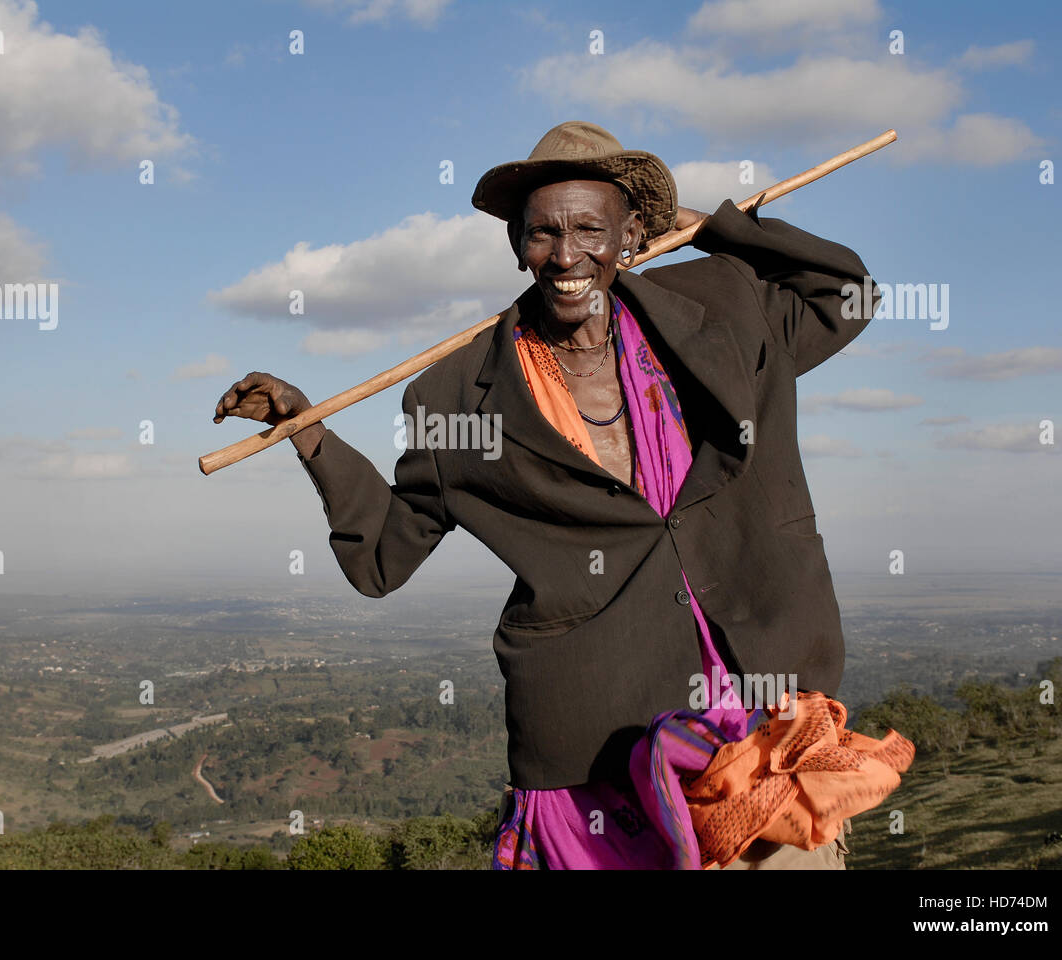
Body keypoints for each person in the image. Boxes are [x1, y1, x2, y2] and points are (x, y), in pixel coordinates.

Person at [213, 121, 912, 870]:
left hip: (765, 723)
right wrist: (305, 430)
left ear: (632, 233)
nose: (567, 254)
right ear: (517, 244)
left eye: (590, 228)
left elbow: (849, 293)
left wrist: (718, 229)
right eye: (543, 232)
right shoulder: (457, 396)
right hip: (596, 754)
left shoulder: (723, 309)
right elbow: (385, 554)